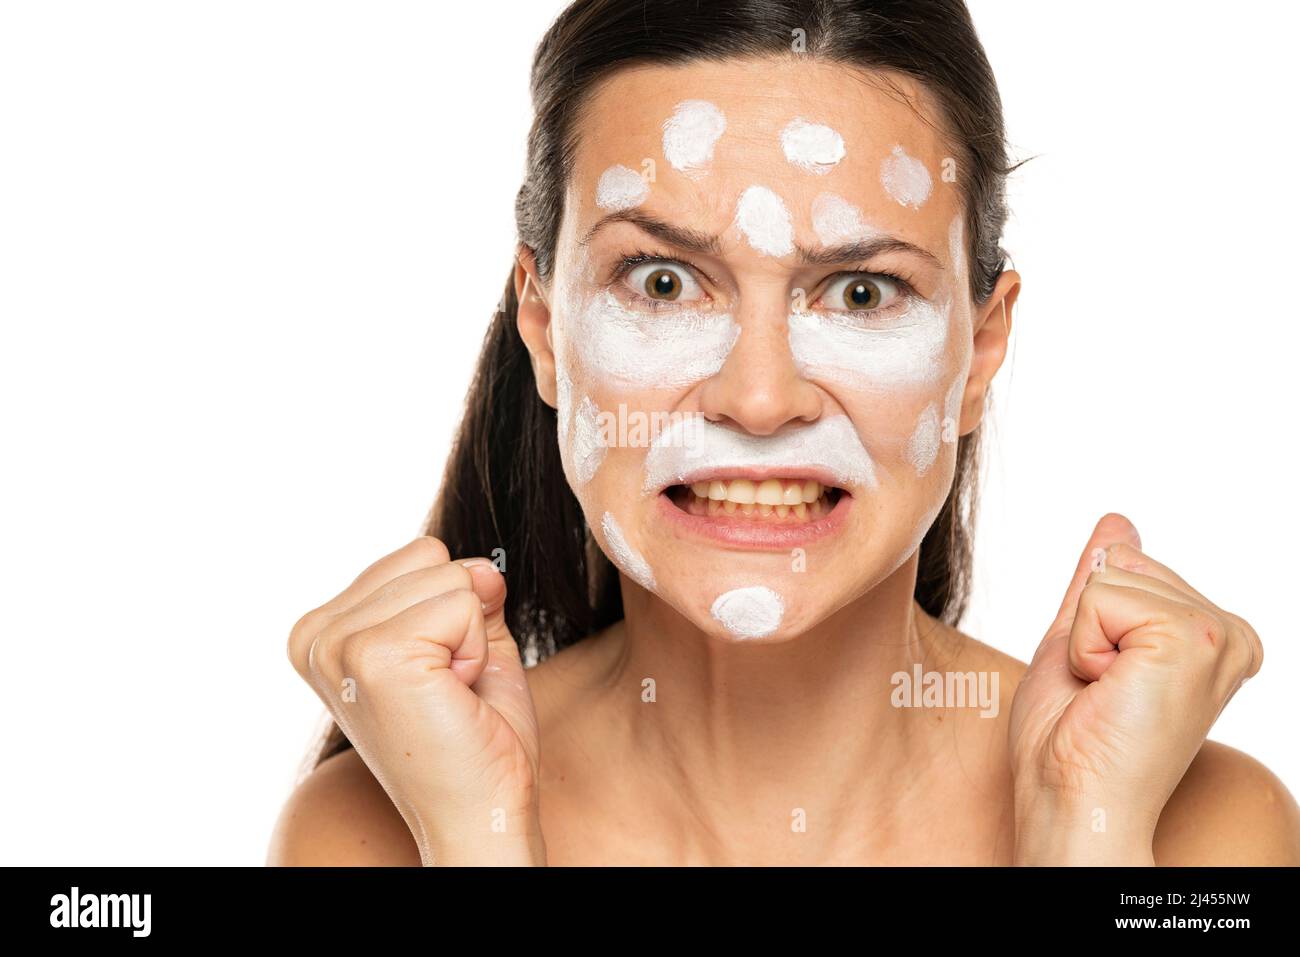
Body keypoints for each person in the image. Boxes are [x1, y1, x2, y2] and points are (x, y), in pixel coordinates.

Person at [268, 0, 1299, 866]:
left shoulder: (1200, 835)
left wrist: (1092, 836)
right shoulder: (375, 835)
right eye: (662, 282)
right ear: (544, 328)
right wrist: (480, 840)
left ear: (979, 351)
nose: (758, 401)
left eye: (859, 291)